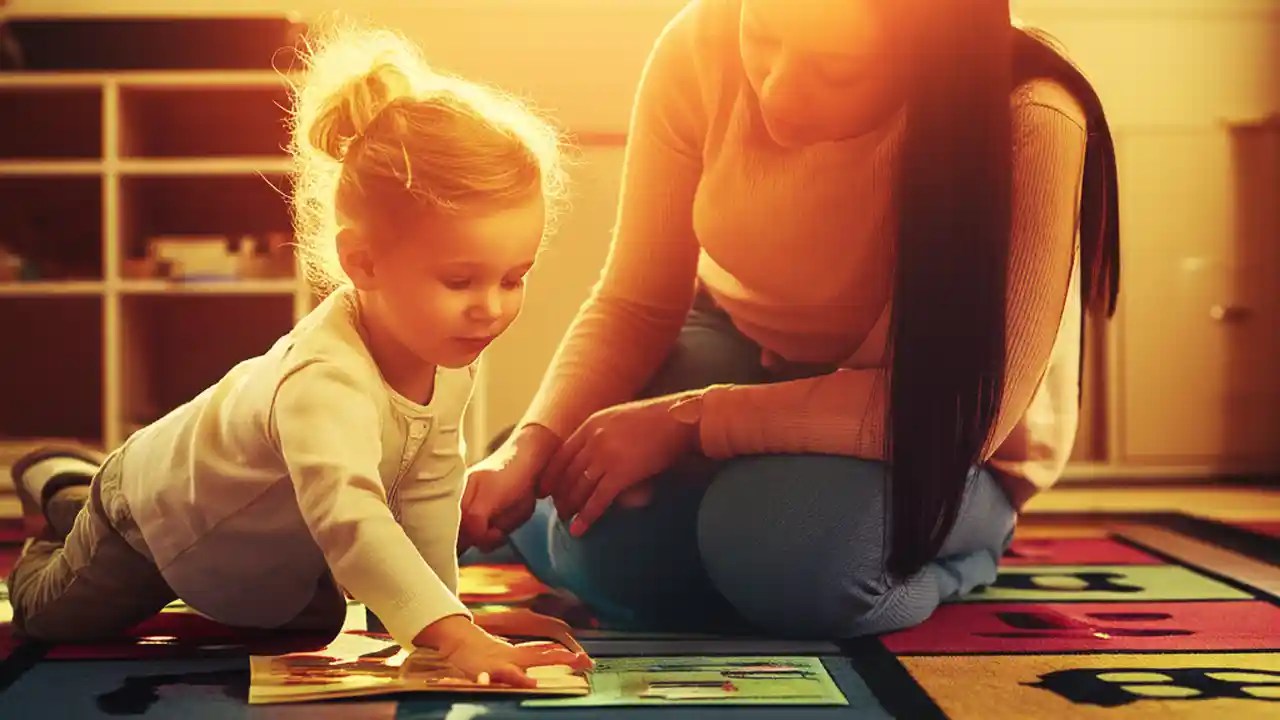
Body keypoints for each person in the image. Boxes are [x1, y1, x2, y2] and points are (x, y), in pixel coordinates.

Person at [459, 0, 1119, 637]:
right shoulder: (700, 41)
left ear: (928, 57)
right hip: (741, 351)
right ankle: (636, 526)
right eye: (764, 37)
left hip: (935, 437)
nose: (778, 91)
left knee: (789, 557)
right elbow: (636, 303)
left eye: (836, 70)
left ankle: (963, 555)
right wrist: (534, 447)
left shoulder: (1028, 118)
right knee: (603, 546)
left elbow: (951, 416)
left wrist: (689, 424)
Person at [7, 24, 591, 685]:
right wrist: (456, 637)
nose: (491, 307)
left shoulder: (446, 354)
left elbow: (428, 490)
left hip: (251, 542)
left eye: (514, 277)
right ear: (361, 262)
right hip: (155, 516)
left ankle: (77, 492)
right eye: (460, 281)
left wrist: (449, 621)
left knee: (319, 621)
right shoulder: (325, 379)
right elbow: (352, 519)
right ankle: (64, 484)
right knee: (50, 613)